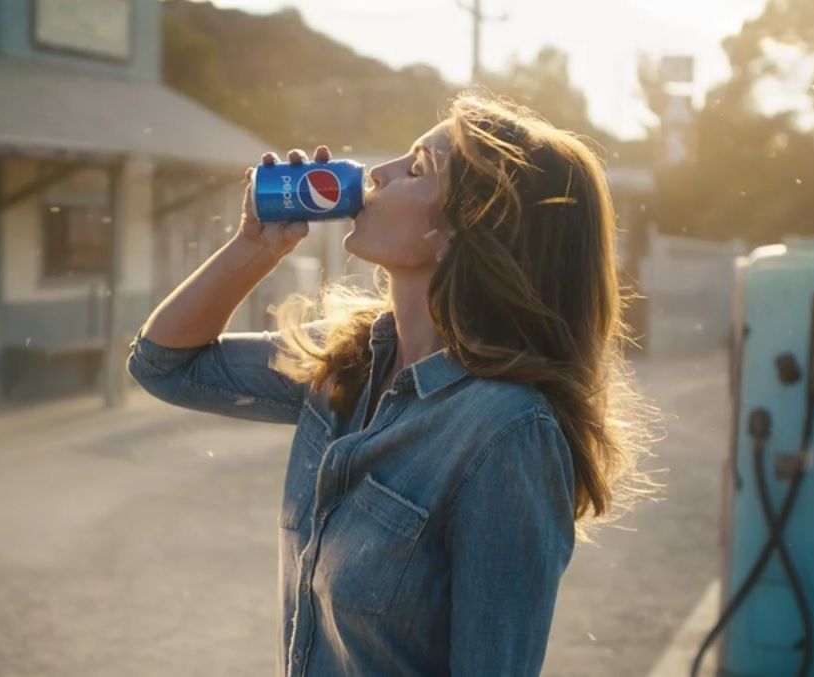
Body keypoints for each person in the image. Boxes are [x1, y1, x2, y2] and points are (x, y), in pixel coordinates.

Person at [128, 93, 658, 676]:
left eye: (416, 168)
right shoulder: (346, 362)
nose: (376, 174)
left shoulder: (505, 434)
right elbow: (164, 366)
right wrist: (253, 249)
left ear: (465, 228)